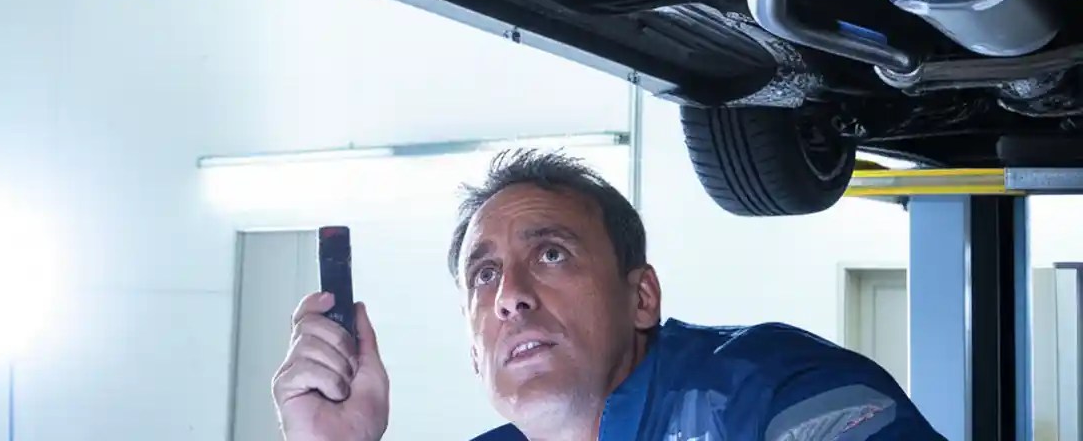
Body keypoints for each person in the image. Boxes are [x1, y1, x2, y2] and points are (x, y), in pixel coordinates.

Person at [271, 149, 945, 441]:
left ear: (642, 296)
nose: (511, 296)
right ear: (475, 352)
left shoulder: (769, 392)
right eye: (483, 275)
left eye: (551, 254)